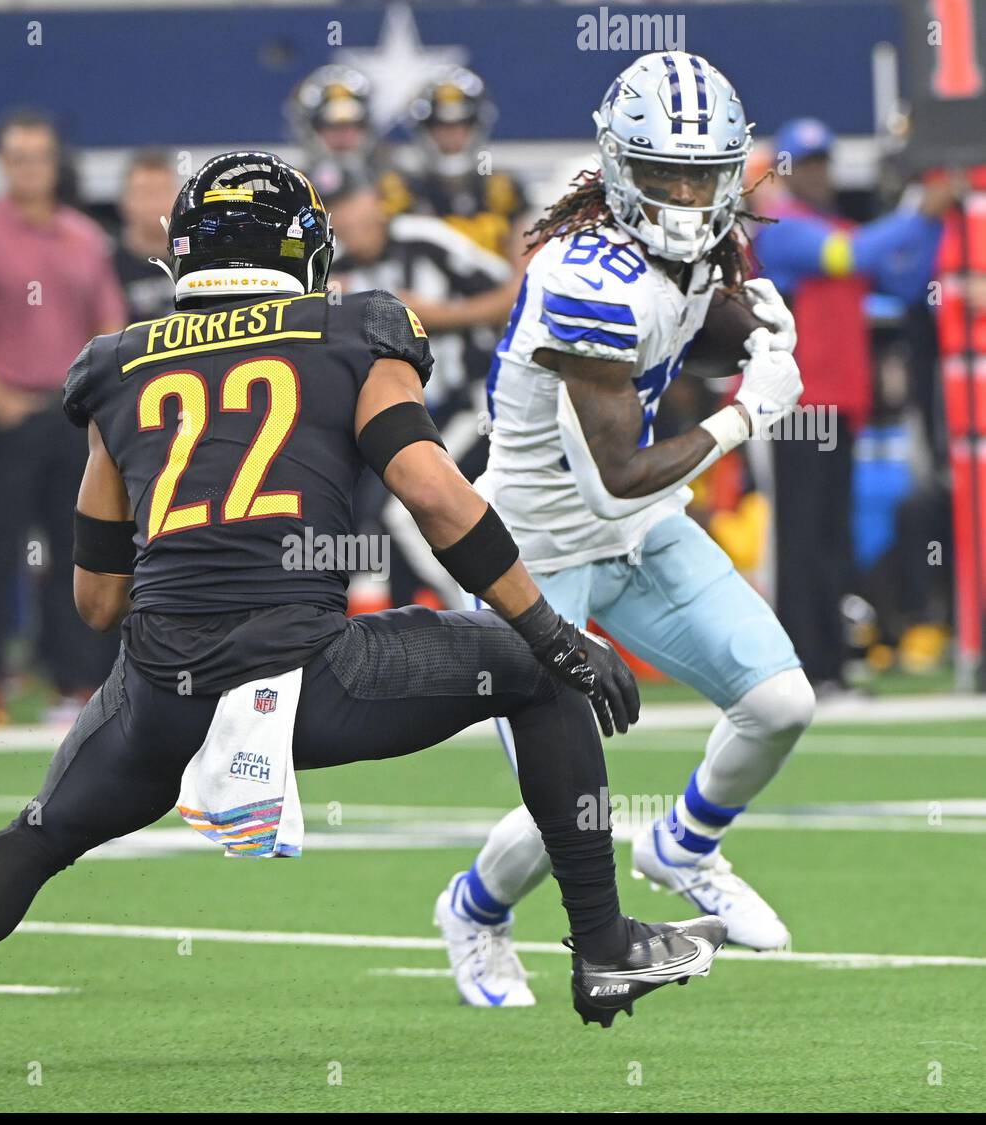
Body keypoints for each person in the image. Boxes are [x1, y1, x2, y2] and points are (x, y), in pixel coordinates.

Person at [0, 152, 726, 1088]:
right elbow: (434, 495)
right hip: (310, 675)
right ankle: (605, 942)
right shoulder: (355, 331)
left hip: (160, 689)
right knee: (535, 677)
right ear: (303, 252)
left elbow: (96, 599)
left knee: (38, 835)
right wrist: (553, 634)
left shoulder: (118, 365)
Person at [433, 53, 813, 1008]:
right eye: (666, 174)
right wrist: (749, 409)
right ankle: (474, 910)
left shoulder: (697, 240)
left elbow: (691, 309)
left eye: (706, 175)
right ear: (617, 167)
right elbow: (613, 479)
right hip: (535, 554)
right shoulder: (582, 273)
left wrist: (756, 323)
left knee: (782, 705)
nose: (688, 198)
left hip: (640, 531)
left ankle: (684, 844)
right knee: (569, 806)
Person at [0, 109, 127, 722]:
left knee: (80, 548)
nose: (29, 168)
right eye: (17, 158)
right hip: (2, 417)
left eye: (39, 157)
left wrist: (100, 405)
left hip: (70, 419)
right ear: (2, 164)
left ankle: (75, 683)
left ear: (53, 163)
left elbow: (109, 325)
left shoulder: (85, 237)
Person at [753, 117, 953, 693]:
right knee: (802, 536)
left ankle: (831, 665)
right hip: (799, 404)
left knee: (832, 536)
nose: (818, 174)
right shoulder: (784, 225)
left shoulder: (831, 226)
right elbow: (851, 254)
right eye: (807, 164)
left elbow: (908, 280)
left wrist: (931, 223)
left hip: (839, 406)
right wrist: (920, 209)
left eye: (823, 164)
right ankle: (804, 665)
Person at [326, 167, 510, 605]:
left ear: (378, 205)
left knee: (407, 512)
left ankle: (493, 617)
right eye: (342, 218)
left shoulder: (423, 239)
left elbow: (515, 292)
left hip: (469, 403)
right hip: (395, 417)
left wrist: (439, 315)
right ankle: (416, 641)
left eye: (360, 212)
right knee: (377, 519)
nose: (354, 225)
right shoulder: (332, 270)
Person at [380, 67, 529, 260]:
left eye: (460, 125)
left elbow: (524, 263)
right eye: (440, 126)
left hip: (494, 286)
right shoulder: (400, 191)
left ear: (477, 127)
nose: (451, 136)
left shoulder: (503, 189)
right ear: (424, 130)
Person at [111, 149, 180, 325]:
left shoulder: (198, 258)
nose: (154, 203)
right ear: (125, 201)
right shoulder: (106, 266)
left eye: (162, 192)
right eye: (144, 193)